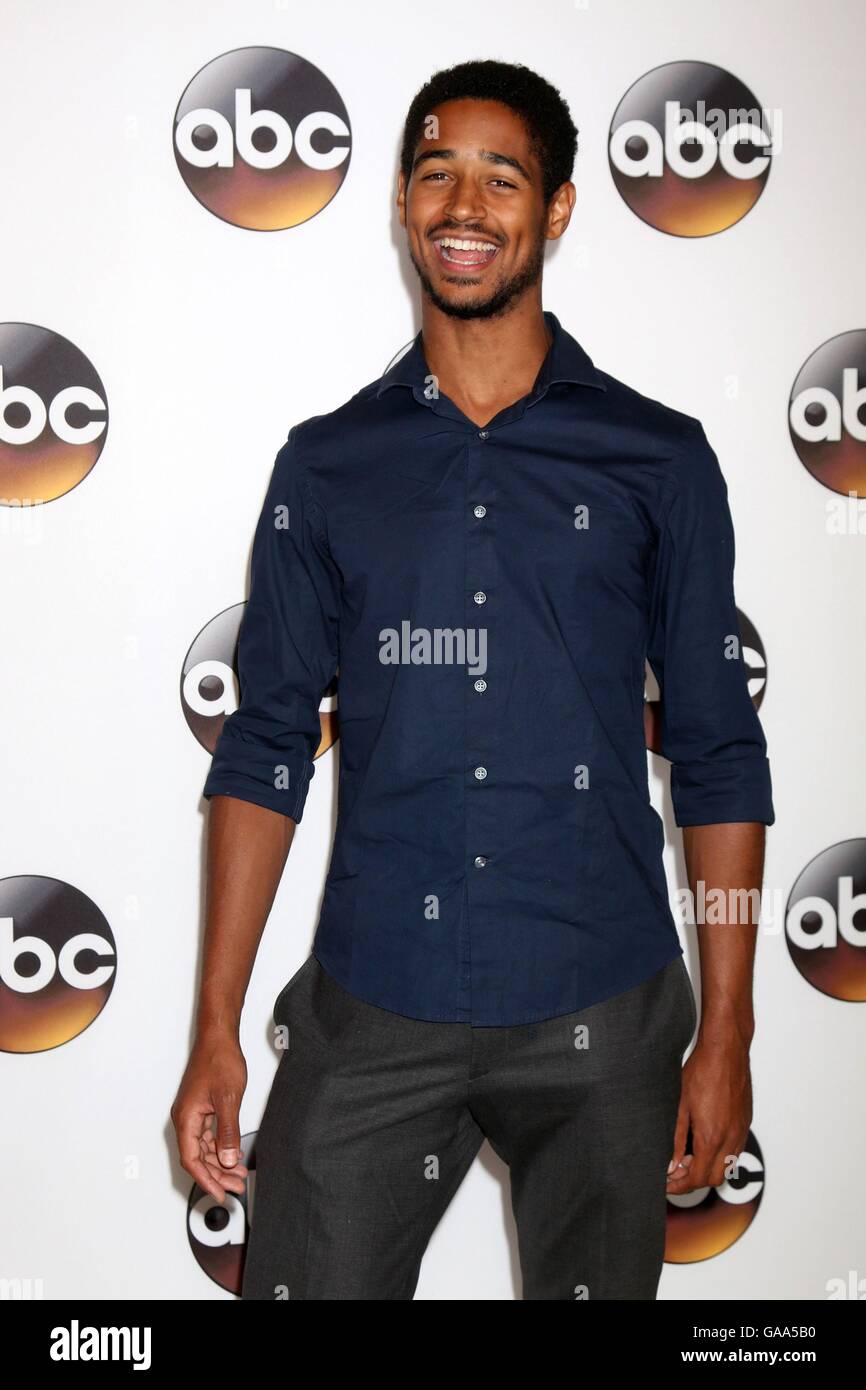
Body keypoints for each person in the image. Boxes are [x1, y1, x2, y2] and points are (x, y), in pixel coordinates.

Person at [171, 59, 774, 1301]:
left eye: (502, 178)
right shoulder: (327, 465)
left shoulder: (659, 461)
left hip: (602, 1010)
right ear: (400, 202)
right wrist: (214, 1024)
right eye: (437, 172)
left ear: (552, 211)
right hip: (374, 1003)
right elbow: (268, 742)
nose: (465, 204)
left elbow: (716, 747)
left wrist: (729, 1025)